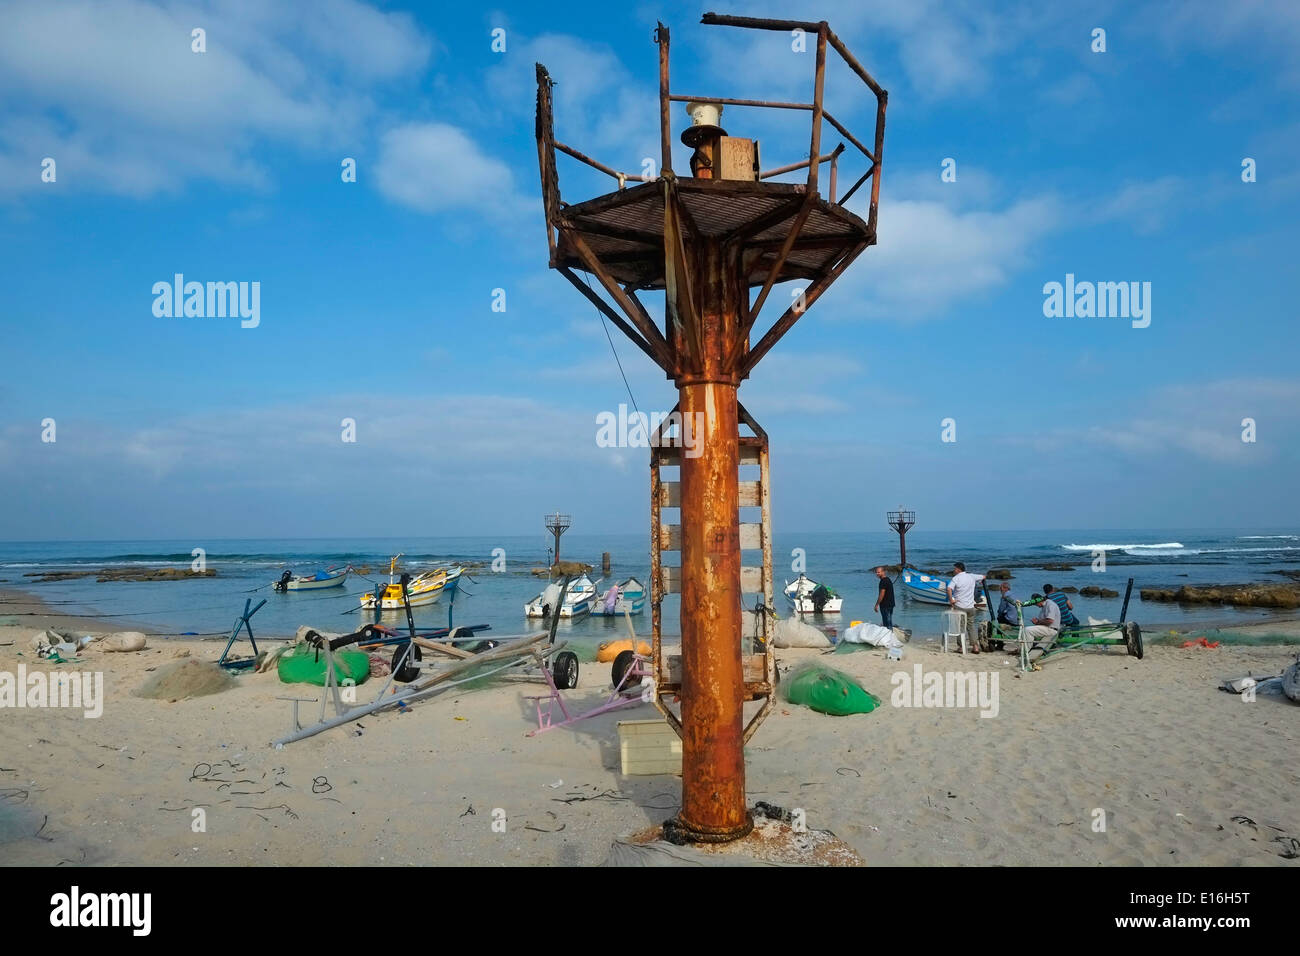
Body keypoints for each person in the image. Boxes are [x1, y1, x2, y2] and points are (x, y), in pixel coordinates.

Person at [947, 561, 986, 654]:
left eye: (954, 569)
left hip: (960, 606)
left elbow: (949, 589)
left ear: (958, 569)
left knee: (960, 627)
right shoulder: (971, 576)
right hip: (970, 606)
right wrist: (981, 580)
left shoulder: (956, 578)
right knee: (971, 626)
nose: (953, 571)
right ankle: (975, 646)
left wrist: (951, 600)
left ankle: (961, 647)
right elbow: (983, 576)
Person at [1024, 591, 1061, 659]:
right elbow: (1045, 620)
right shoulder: (1045, 605)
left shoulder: (1050, 605)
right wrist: (1038, 622)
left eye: (1035, 604)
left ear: (1039, 601)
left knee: (1027, 630)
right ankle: (1027, 647)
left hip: (1052, 630)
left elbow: (1050, 621)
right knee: (1029, 629)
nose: (1036, 605)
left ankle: (1026, 651)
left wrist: (1038, 622)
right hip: (1048, 628)